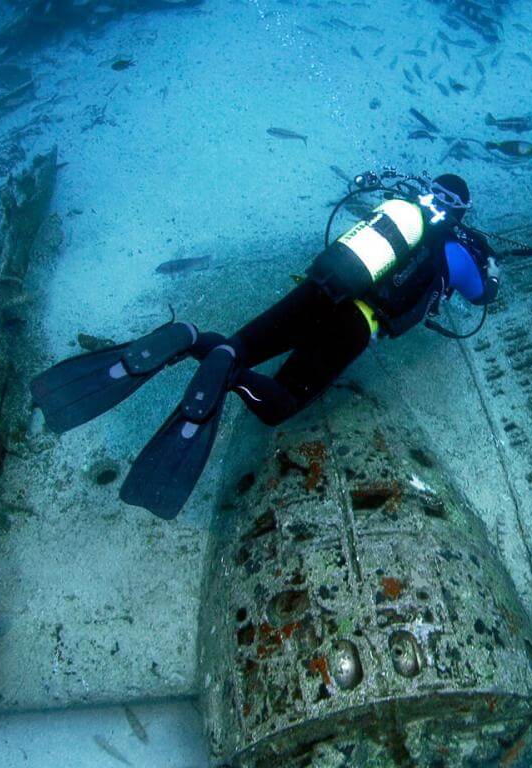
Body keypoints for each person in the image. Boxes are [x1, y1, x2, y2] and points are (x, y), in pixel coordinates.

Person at [30, 171, 502, 519]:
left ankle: (191, 340)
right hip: (355, 322)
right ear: (461, 211)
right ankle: (230, 379)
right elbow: (482, 294)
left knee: (238, 345)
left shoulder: (397, 212)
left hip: (318, 287)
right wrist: (489, 267)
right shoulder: (454, 249)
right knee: (278, 405)